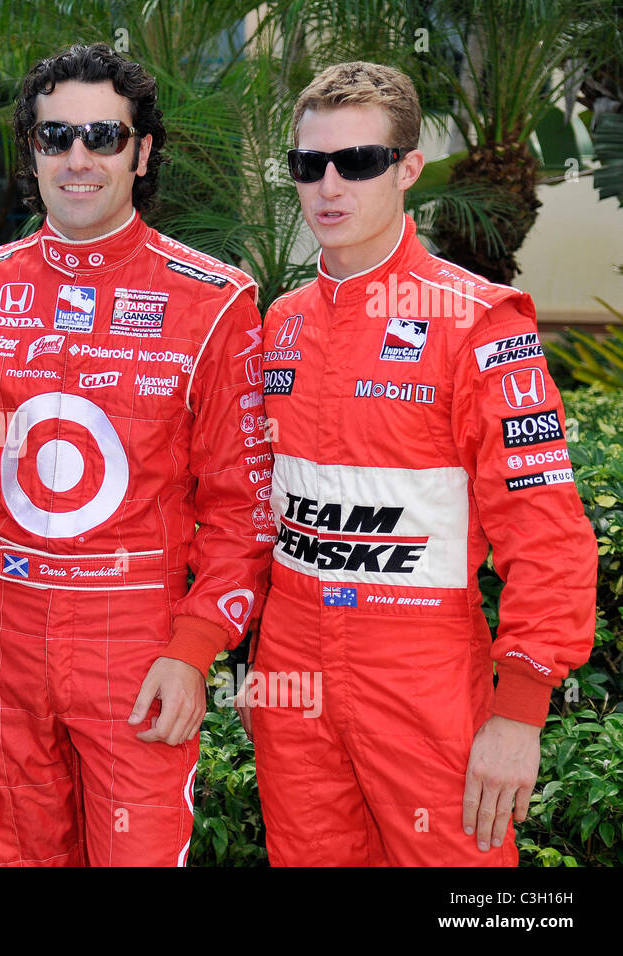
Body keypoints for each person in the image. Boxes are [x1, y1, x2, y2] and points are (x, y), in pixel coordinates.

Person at [0, 43, 273, 866]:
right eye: (55, 137)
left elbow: (242, 508)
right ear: (31, 151)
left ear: (141, 153)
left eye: (103, 138)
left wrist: (192, 650)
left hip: (136, 636)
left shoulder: (215, 300)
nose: (78, 158)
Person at [242, 61, 597, 866]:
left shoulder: (478, 321)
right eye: (309, 164)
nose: (329, 186)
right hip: (291, 667)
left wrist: (519, 712)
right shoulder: (281, 322)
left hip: (424, 675)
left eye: (358, 162)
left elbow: (545, 530)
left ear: (406, 170)